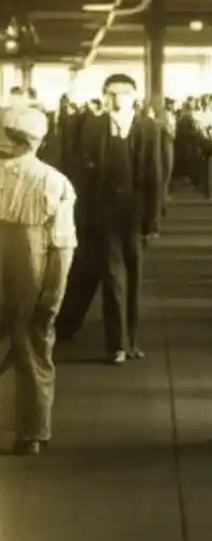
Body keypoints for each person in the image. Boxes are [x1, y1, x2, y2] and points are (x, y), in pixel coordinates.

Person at [59, 73, 164, 365]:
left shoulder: (148, 129)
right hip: (102, 214)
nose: (118, 99)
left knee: (134, 279)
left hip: (134, 215)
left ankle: (131, 341)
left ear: (135, 97)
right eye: (112, 93)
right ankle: (116, 345)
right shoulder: (92, 127)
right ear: (104, 96)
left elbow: (156, 176)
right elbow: (81, 173)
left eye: (124, 93)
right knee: (113, 278)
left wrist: (152, 220)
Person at [0, 105, 77, 455]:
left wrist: (51, 297)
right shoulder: (54, 179)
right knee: (33, 346)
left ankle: (33, 430)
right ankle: (32, 432)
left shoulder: (52, 182)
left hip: (29, 265)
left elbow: (62, 244)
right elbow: (63, 245)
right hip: (28, 263)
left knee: (31, 344)